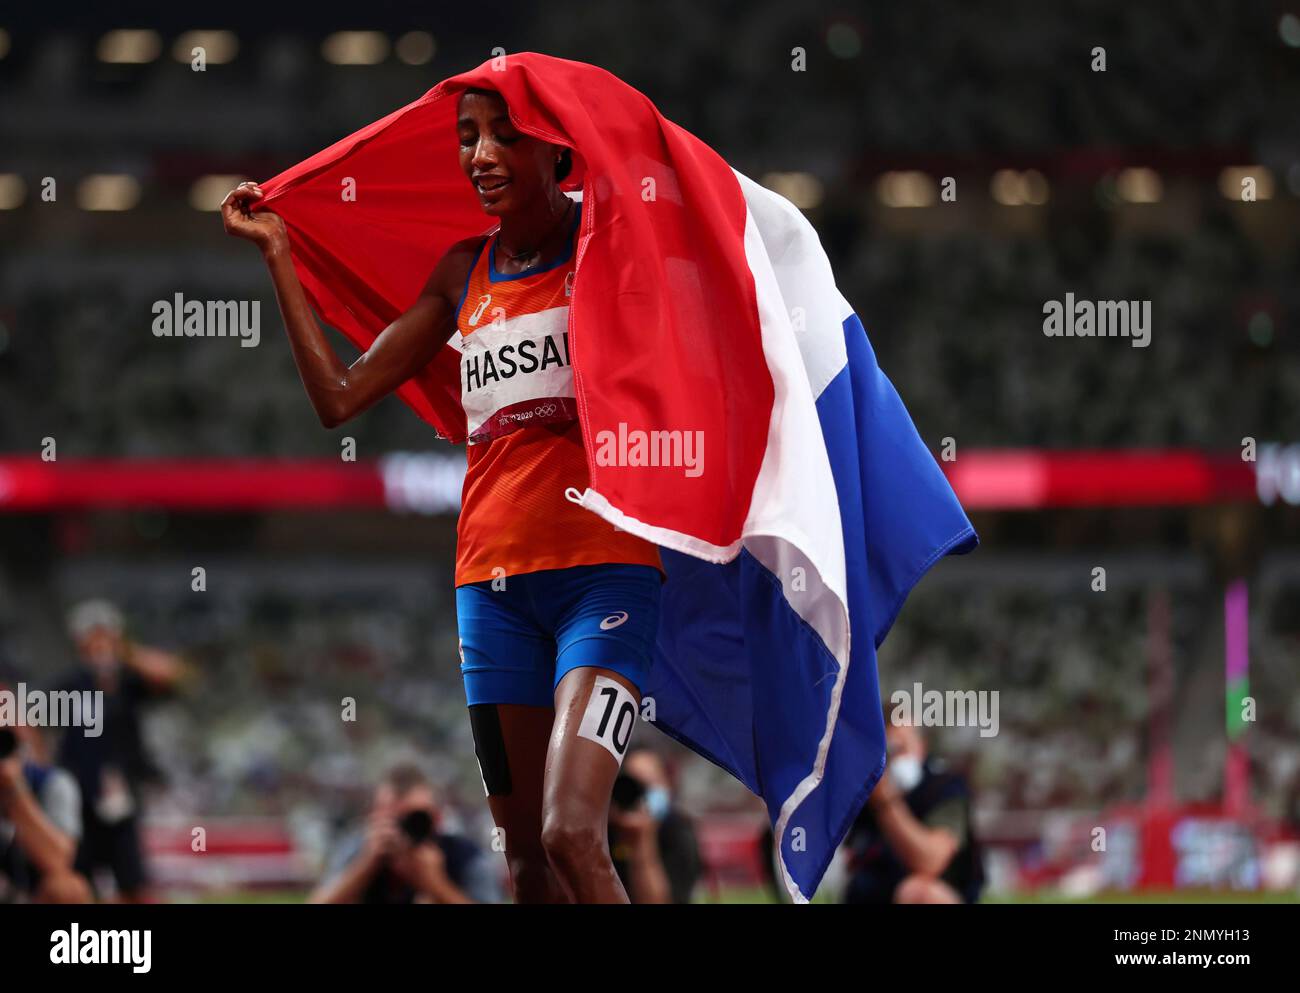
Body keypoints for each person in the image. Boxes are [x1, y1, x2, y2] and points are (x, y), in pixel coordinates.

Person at [223, 85, 665, 904]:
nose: (481, 155)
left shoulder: (611, 249)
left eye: (505, 136)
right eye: (468, 138)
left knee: (572, 833)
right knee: (528, 861)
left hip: (607, 577)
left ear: (557, 151)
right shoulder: (465, 270)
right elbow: (339, 398)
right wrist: (278, 251)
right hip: (490, 589)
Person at [54, 600, 189, 902]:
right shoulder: (70, 684)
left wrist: (124, 651)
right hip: (79, 794)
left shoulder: (128, 681)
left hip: (121, 793)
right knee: (76, 881)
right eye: (93, 638)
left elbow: (172, 674)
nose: (100, 645)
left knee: (134, 883)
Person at [842, 710, 984, 904]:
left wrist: (886, 803)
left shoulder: (944, 788)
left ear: (921, 746)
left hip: (933, 895)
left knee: (918, 892)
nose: (896, 759)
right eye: (889, 751)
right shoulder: (863, 795)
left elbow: (931, 861)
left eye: (902, 748)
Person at [312, 763, 501, 904]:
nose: (405, 830)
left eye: (416, 819)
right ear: (374, 818)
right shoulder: (360, 849)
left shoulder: (464, 856)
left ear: (436, 818)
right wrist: (366, 866)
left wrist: (436, 885)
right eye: (393, 818)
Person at [0, 689, 93, 904]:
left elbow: (58, 860)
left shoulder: (51, 783)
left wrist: (14, 790)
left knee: (68, 889)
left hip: (28, 892)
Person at [609, 746, 701, 904]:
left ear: (667, 785)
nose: (642, 794)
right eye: (635, 785)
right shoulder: (604, 830)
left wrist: (642, 841)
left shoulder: (678, 831)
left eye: (650, 783)